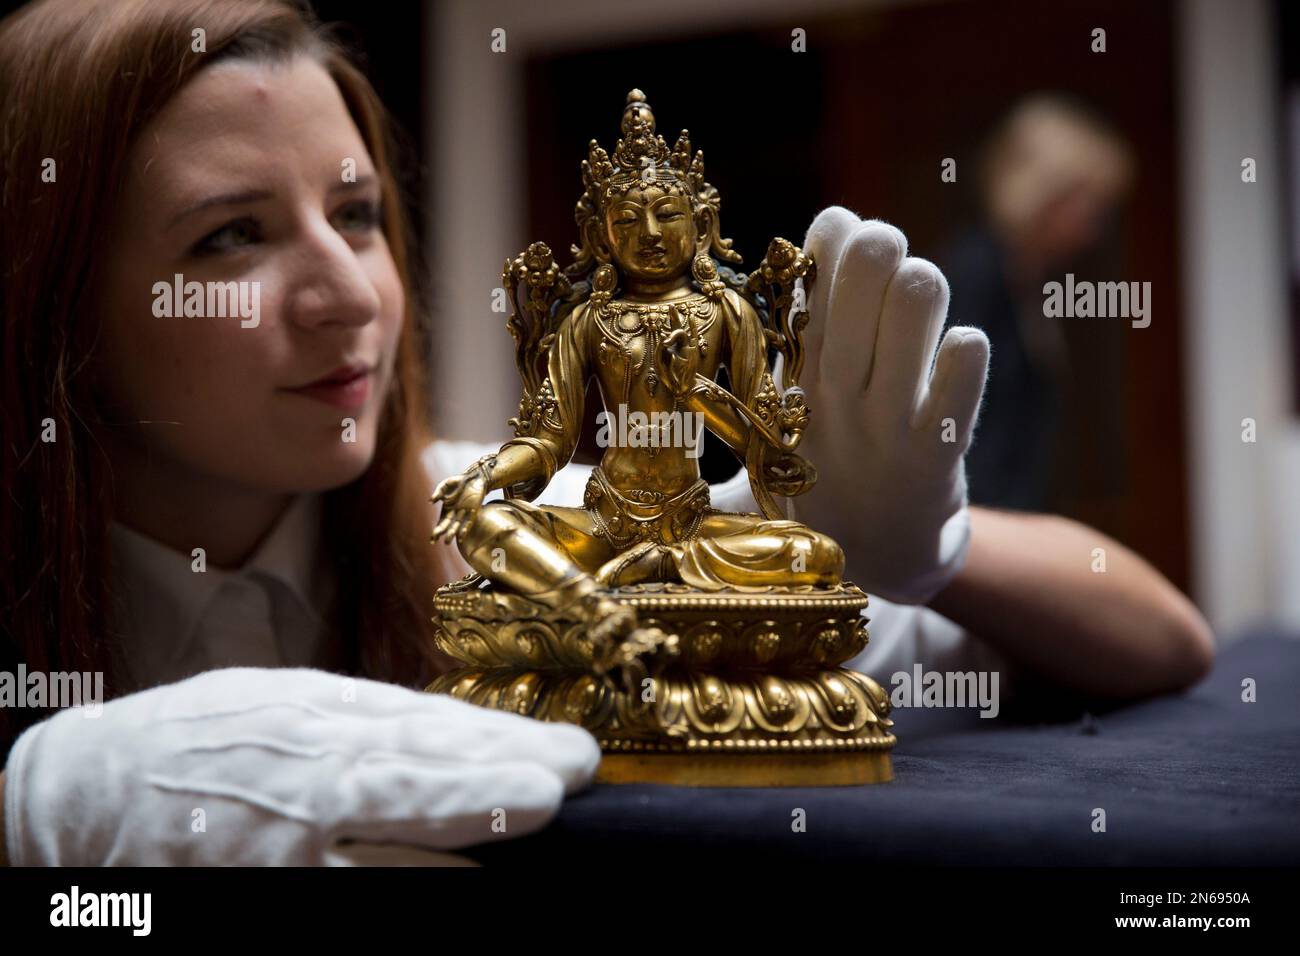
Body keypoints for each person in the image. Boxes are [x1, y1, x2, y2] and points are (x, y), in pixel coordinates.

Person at [0, 0, 1213, 867]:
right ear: (56, 299)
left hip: (635, 544)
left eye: (357, 214)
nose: (352, 294)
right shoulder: (484, 512)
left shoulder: (455, 517)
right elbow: (533, 443)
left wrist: (918, 548)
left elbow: (1166, 635)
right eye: (230, 235)